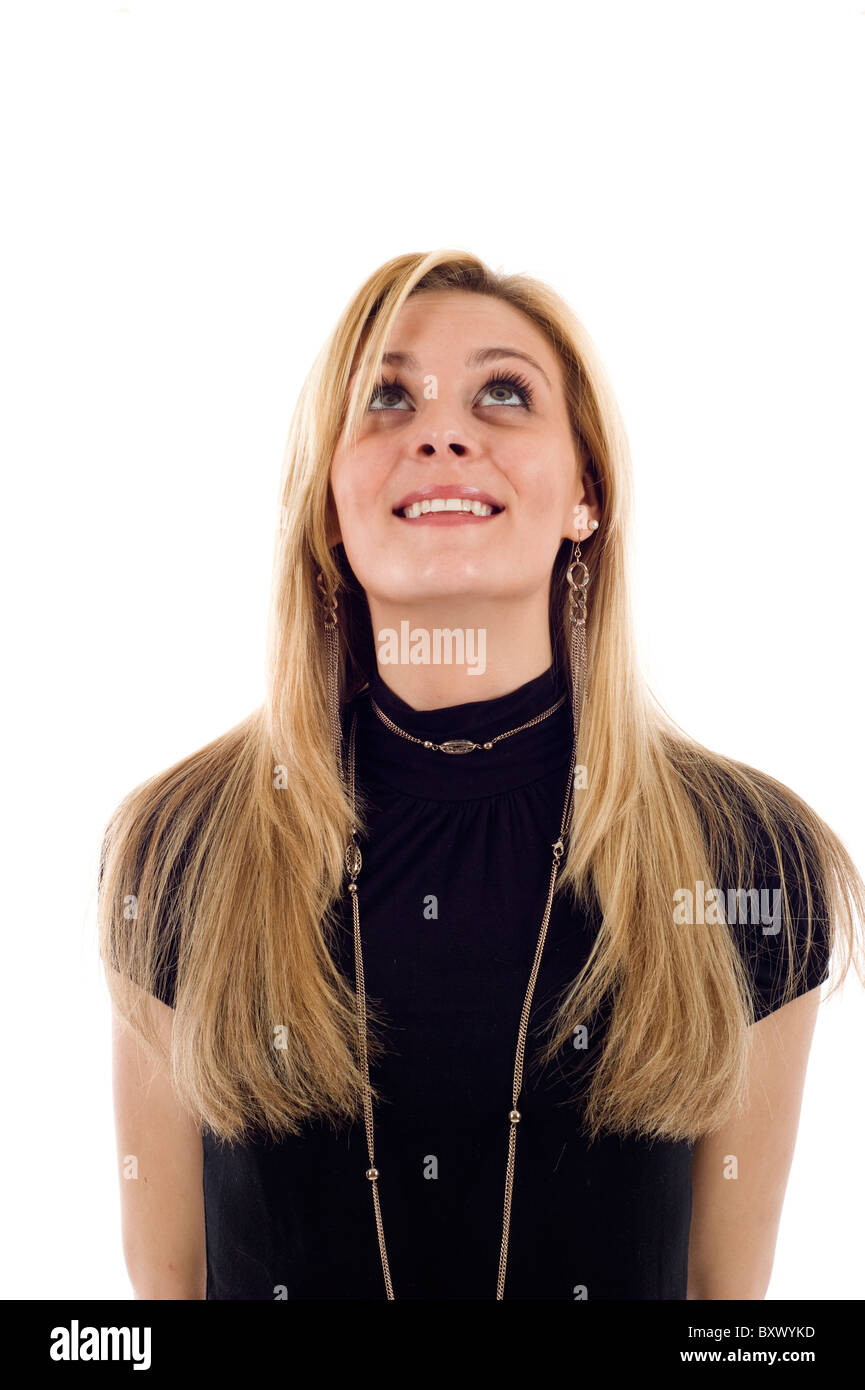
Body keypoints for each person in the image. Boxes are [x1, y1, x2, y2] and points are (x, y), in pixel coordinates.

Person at [99, 249, 864, 1301]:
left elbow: (725, 1309)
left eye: (502, 393)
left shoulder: (748, 853)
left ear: (585, 492)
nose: (441, 430)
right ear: (328, 502)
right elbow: (163, 1286)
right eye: (386, 397)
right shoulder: (182, 842)